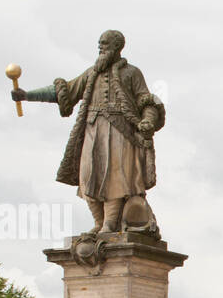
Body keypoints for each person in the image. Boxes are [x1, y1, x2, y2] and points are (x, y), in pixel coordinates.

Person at [12, 29, 164, 235]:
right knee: (87, 176)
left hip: (120, 132)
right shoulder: (92, 74)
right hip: (92, 131)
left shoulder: (132, 73)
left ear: (117, 47)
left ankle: (109, 224)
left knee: (115, 178)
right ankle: (98, 221)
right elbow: (66, 91)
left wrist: (148, 121)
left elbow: (147, 101)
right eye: (99, 43)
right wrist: (27, 95)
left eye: (105, 43)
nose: (100, 47)